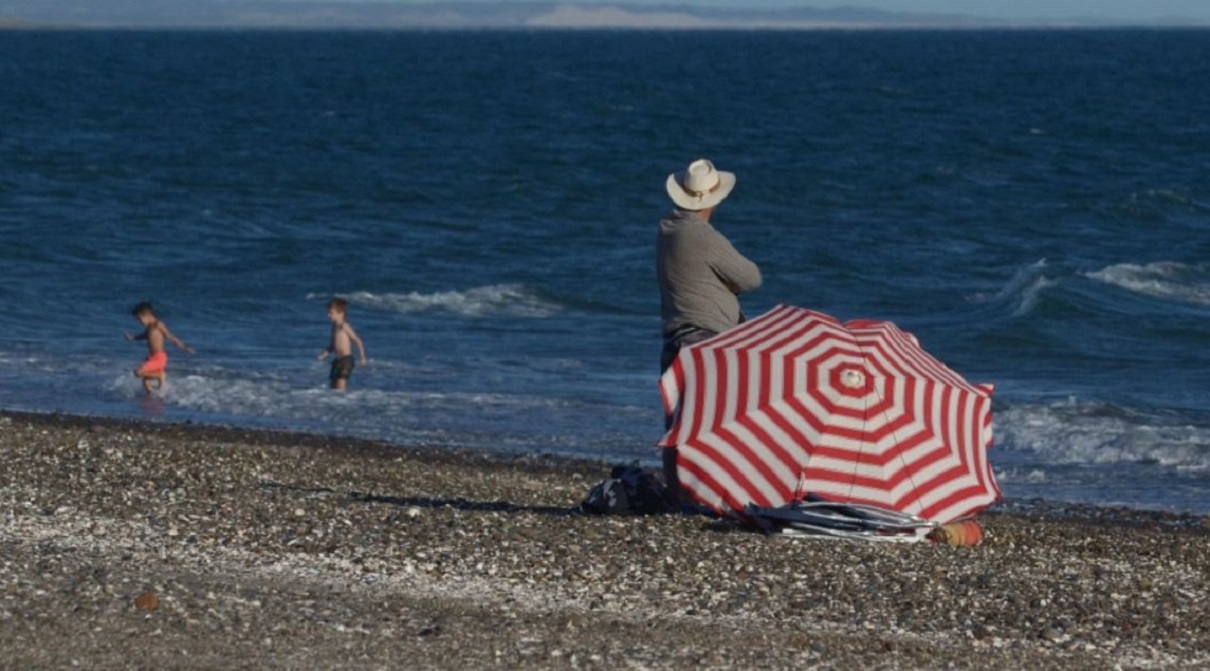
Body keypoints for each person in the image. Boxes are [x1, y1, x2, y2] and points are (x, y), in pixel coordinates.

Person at [656, 158, 762, 501]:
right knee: (716, 419)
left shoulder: (667, 230)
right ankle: (710, 494)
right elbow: (751, 277)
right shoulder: (702, 235)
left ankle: (679, 494)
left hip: (676, 336)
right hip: (706, 339)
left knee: (679, 423)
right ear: (713, 199)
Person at [125, 301, 194, 394]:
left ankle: (159, 376)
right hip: (151, 357)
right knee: (146, 382)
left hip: (159, 358)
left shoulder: (158, 324)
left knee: (138, 372)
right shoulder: (149, 327)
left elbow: (170, 336)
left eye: (139, 319)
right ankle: (152, 400)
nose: (139, 322)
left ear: (147, 315)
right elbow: (145, 335)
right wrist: (133, 338)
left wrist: (184, 347)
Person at [317, 297, 367, 390]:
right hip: (337, 360)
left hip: (346, 360)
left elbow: (357, 340)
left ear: (341, 313)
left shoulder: (345, 326)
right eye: (328, 312)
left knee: (340, 388)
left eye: (331, 313)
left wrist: (362, 357)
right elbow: (332, 346)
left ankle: (345, 403)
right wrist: (324, 354)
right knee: (332, 388)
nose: (328, 315)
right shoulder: (334, 327)